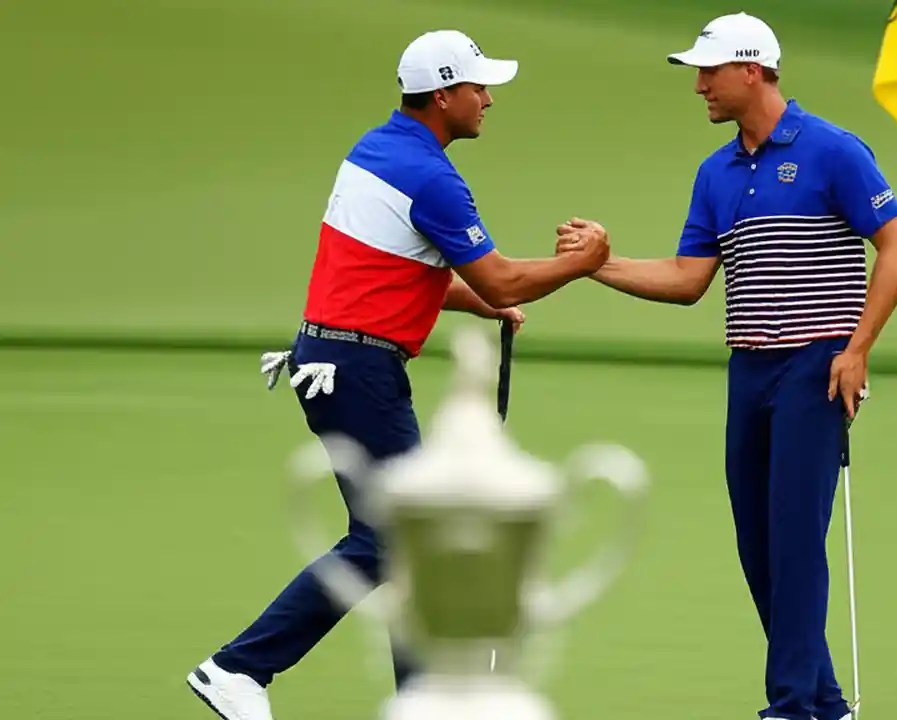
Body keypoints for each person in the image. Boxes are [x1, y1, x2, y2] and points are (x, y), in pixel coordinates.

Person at [185, 29, 608, 720]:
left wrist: (489, 306)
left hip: (334, 360)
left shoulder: (378, 148)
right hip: (355, 369)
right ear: (444, 95)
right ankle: (238, 668)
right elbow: (501, 276)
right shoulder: (430, 176)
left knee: (409, 545)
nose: (489, 100)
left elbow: (414, 276)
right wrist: (583, 263)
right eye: (478, 88)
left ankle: (421, 698)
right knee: (402, 540)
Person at [557, 13, 897, 720]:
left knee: (794, 538)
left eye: (708, 72)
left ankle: (788, 706)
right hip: (748, 373)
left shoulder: (833, 150)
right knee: (758, 543)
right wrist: (595, 266)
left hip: (817, 368)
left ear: (751, 70)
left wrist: (858, 348)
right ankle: (824, 702)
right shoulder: (715, 172)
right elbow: (690, 278)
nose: (698, 86)